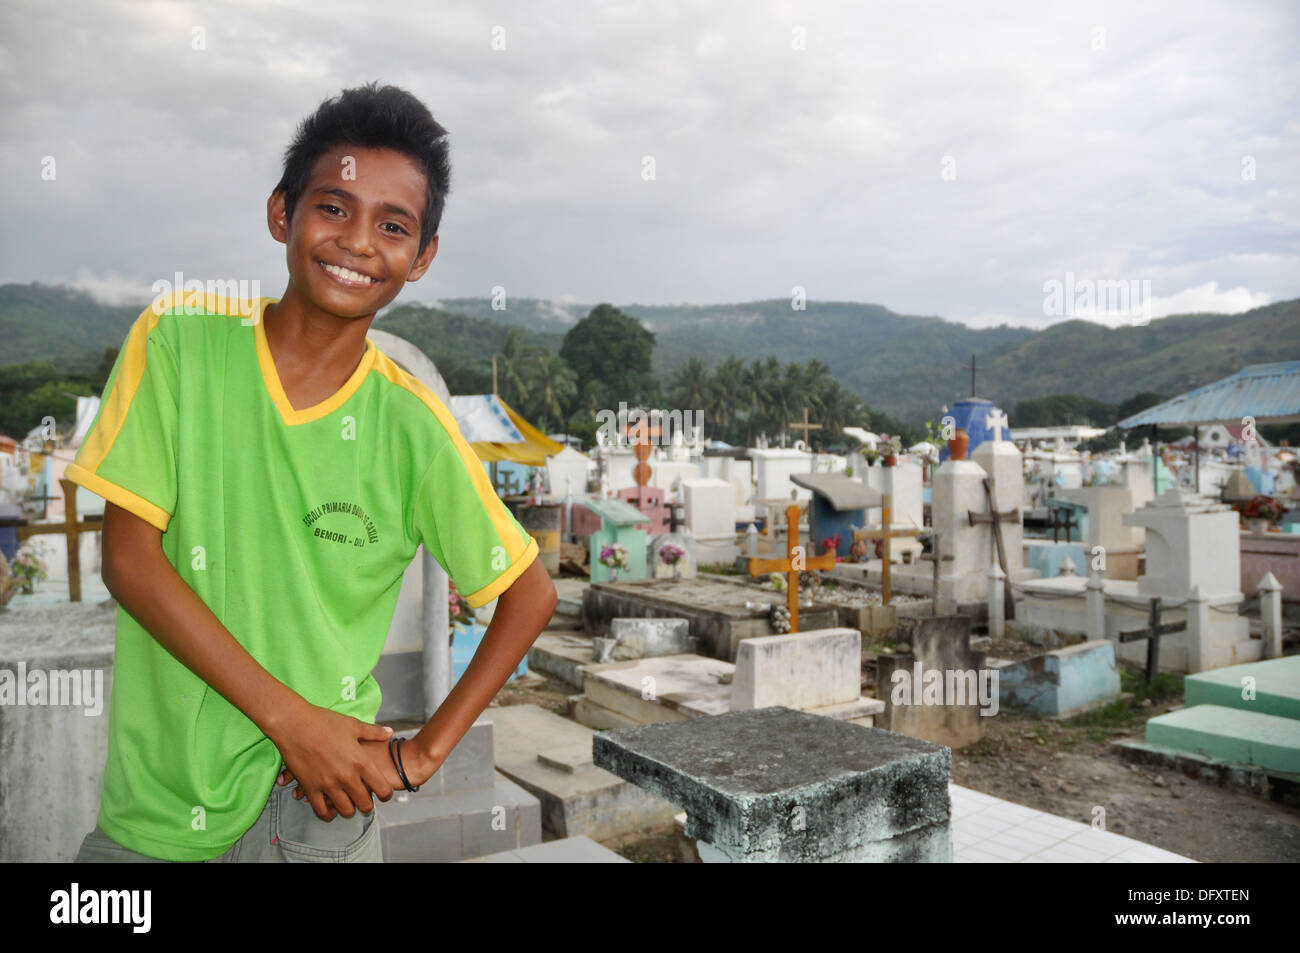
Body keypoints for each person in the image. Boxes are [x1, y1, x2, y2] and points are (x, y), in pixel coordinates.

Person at [67, 82, 556, 862]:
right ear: (281, 213)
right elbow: (128, 560)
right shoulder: (180, 343)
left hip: (320, 816)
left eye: (393, 226)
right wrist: (291, 720)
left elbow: (529, 594)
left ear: (421, 256)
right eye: (334, 207)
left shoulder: (411, 425)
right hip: (156, 813)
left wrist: (422, 754)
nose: (359, 242)